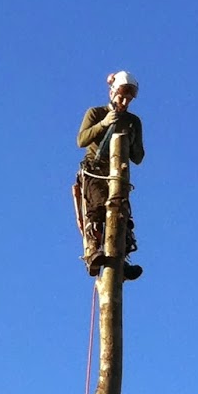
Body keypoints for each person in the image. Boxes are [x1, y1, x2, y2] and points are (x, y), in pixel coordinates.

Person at [73, 70, 144, 278]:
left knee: (120, 212)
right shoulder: (96, 113)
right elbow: (81, 140)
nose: (124, 101)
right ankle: (94, 250)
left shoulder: (133, 122)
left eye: (128, 98)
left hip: (118, 173)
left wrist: (129, 139)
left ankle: (120, 259)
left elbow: (138, 157)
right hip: (95, 170)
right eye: (122, 96)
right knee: (98, 207)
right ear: (113, 92)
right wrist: (104, 124)